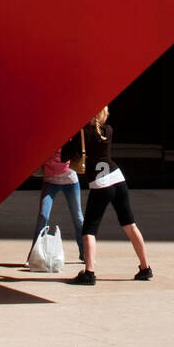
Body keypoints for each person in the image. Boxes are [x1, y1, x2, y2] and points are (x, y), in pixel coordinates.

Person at [68, 105, 152, 285]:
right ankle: (145, 268)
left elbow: (66, 155)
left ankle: (89, 273)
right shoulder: (109, 130)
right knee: (130, 224)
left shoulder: (84, 133)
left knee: (89, 230)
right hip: (117, 178)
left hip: (101, 183)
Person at [30, 136, 85, 263]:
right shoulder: (45, 137)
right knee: (43, 215)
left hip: (70, 180)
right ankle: (34, 254)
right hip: (50, 181)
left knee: (78, 217)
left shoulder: (68, 136)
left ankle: (85, 253)